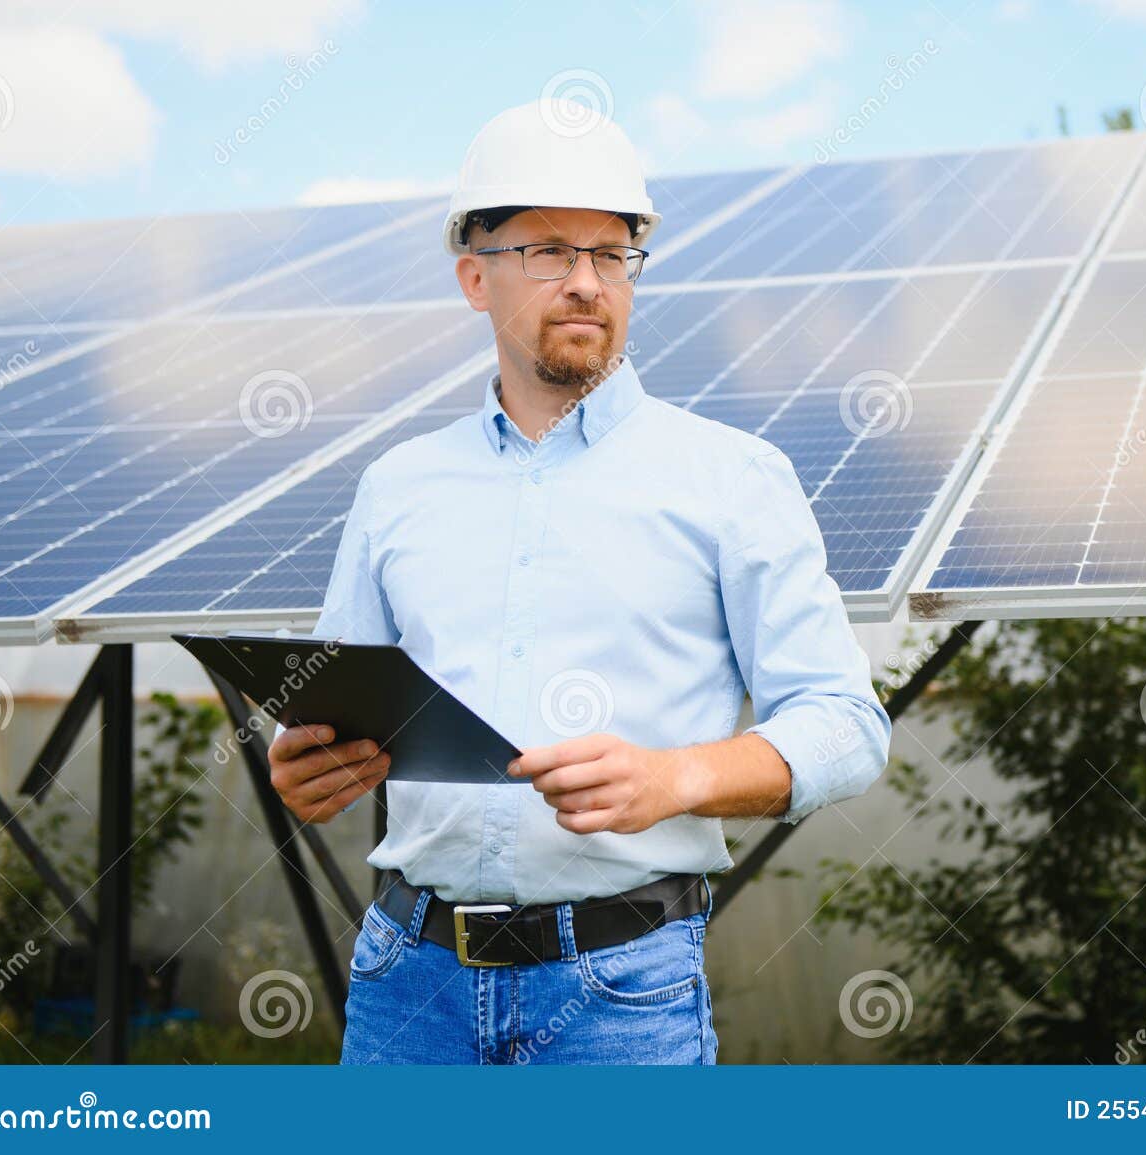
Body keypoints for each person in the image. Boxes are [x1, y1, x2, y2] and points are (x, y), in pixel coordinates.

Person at [266, 98, 890, 1065]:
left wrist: (674, 776)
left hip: (622, 992)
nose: (588, 283)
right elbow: (337, 705)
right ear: (476, 276)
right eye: (550, 252)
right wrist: (305, 759)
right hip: (406, 986)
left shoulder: (734, 478)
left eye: (613, 252)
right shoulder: (397, 487)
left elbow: (847, 724)